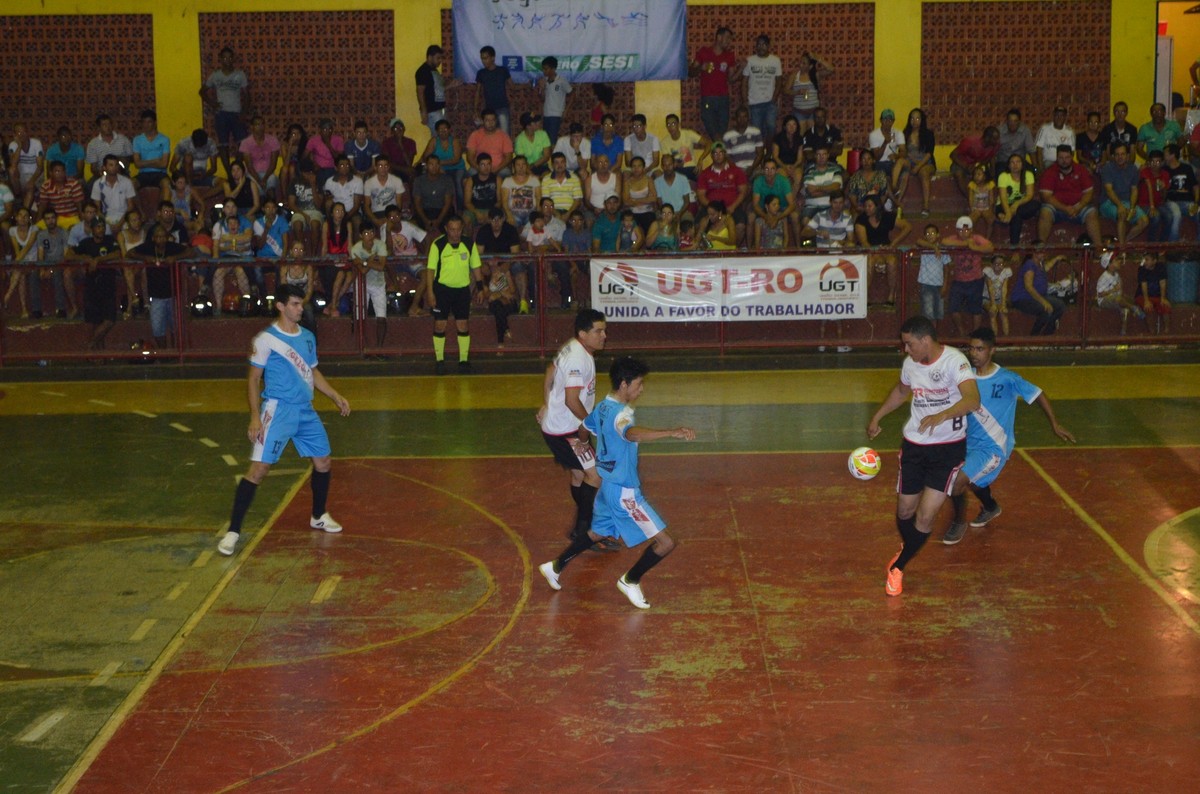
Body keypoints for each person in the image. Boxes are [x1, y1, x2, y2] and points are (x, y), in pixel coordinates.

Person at [538, 356, 696, 610]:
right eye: (639, 384)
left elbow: (584, 427)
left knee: (598, 532)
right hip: (624, 493)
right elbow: (630, 433)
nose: (641, 389)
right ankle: (630, 580)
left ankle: (555, 566)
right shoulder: (621, 415)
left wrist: (583, 443)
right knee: (666, 542)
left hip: (607, 488)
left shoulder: (603, 406)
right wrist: (671, 432)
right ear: (624, 384)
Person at [216, 284, 351, 556]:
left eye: (301, 304)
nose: (301, 309)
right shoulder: (265, 340)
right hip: (277, 411)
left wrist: (335, 396)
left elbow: (312, 372)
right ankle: (233, 531)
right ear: (280, 306)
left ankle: (318, 515)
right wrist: (255, 417)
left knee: (323, 462)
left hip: (305, 411)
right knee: (258, 470)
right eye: (295, 304)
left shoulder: (308, 337)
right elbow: (253, 379)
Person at [867, 316, 980, 597]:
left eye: (909, 344)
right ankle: (910, 547)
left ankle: (899, 568)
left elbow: (972, 400)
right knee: (905, 511)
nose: (906, 350)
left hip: (948, 449)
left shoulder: (955, 362)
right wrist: (878, 416)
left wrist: (942, 415)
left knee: (926, 517)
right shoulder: (911, 364)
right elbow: (901, 391)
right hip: (915, 447)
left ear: (925, 340)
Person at [941, 327, 1075, 544]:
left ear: (992, 350)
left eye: (980, 349)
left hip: (993, 448)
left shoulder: (1006, 379)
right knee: (975, 481)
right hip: (967, 444)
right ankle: (991, 507)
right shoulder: (965, 378)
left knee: (956, 482)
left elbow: (1038, 394)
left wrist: (1055, 423)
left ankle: (958, 523)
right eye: (971, 348)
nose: (974, 353)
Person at [537, 309, 608, 544]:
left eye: (604, 331)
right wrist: (593, 425)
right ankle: (584, 532)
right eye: (598, 331)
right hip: (567, 432)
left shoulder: (572, 347)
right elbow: (571, 400)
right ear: (583, 334)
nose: (604, 336)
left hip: (560, 426)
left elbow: (550, 371)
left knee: (580, 475)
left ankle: (586, 526)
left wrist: (548, 403)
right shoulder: (578, 358)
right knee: (595, 475)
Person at [425, 215, 483, 374]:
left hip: (462, 291)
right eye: (452, 229)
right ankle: (439, 360)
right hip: (441, 290)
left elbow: (476, 267)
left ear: (462, 229)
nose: (455, 233)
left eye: (458, 229)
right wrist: (430, 292)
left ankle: (464, 360)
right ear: (446, 229)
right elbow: (430, 270)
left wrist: (480, 287)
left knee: (463, 325)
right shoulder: (438, 245)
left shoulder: (469, 244)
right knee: (440, 325)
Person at [128, 225, 188, 349]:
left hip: (173, 294)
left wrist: (175, 258)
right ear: (153, 238)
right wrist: (145, 258)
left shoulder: (172, 247)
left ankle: (176, 351)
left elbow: (191, 252)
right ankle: (164, 352)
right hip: (156, 296)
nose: (161, 239)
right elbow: (130, 253)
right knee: (157, 328)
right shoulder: (148, 247)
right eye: (158, 237)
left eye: (163, 237)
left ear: (167, 237)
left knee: (176, 327)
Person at [1037, 144, 1101, 247]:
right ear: (1057, 157)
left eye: (1067, 157)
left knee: (1092, 213)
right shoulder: (1049, 172)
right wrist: (1065, 208)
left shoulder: (1081, 170)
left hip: (1078, 208)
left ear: (1072, 157)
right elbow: (1046, 197)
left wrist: (1079, 207)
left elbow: (1089, 193)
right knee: (1045, 211)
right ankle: (1040, 249)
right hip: (1057, 209)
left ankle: (1099, 249)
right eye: (1061, 158)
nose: (1064, 161)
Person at [854, 193, 911, 306]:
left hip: (885, 248)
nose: (867, 208)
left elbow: (908, 226)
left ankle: (891, 295)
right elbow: (864, 242)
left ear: (877, 206)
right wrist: (877, 254)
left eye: (870, 206)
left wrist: (893, 244)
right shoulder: (861, 219)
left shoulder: (887, 216)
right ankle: (865, 296)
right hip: (869, 249)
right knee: (870, 262)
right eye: (865, 206)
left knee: (892, 262)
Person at [942, 215, 993, 335]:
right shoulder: (955, 239)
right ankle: (962, 332)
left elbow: (990, 247)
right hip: (959, 280)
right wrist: (966, 244)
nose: (963, 232)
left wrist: (974, 247)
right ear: (957, 230)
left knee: (976, 309)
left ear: (971, 230)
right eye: (960, 230)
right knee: (953, 308)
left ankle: (975, 334)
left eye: (966, 230)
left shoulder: (976, 238)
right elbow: (944, 242)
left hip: (975, 280)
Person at [201, 46, 250, 163]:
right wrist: (212, 104)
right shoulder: (215, 75)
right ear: (220, 59)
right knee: (223, 145)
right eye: (224, 58)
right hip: (221, 114)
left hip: (236, 113)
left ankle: (237, 167)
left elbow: (247, 96)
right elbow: (202, 91)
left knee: (243, 144)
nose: (227, 60)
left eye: (230, 57)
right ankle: (228, 172)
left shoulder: (240, 74)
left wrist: (244, 113)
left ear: (233, 59)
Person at [1098, 142, 1149, 244]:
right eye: (1117, 154)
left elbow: (1134, 190)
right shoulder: (1107, 168)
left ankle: (1123, 243)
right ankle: (1122, 249)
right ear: (1113, 156)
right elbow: (1109, 190)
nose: (1120, 157)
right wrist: (1120, 206)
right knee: (1122, 214)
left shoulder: (1133, 169)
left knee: (1144, 222)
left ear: (1128, 155)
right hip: (1108, 202)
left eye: (1122, 154)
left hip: (1127, 202)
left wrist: (1132, 207)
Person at [691, 26, 736, 141]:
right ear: (719, 37)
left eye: (730, 39)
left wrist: (741, 69)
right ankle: (719, 148)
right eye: (727, 38)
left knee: (722, 131)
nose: (729, 41)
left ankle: (718, 149)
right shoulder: (704, 52)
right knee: (711, 128)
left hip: (723, 99)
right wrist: (701, 67)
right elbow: (691, 72)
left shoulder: (730, 56)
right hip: (708, 98)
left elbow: (731, 79)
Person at [1009, 247, 1067, 336]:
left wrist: (1056, 258)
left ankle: (1047, 334)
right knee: (1045, 310)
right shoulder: (1029, 265)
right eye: (1041, 252)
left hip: (1038, 296)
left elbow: (1046, 267)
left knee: (1060, 306)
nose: (1044, 254)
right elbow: (1029, 287)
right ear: (1034, 253)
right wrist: (1044, 302)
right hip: (1023, 298)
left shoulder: (1039, 264)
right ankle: (1034, 336)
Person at [350, 225, 390, 349]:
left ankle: (379, 348)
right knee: (360, 317)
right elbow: (362, 271)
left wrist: (365, 261)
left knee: (382, 318)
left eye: (372, 232)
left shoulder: (380, 245)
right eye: (366, 233)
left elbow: (381, 267)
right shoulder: (355, 249)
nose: (370, 236)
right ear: (361, 235)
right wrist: (372, 260)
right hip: (362, 284)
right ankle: (363, 347)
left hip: (379, 283)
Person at [912, 223, 951, 333]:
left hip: (939, 285)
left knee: (937, 313)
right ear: (925, 236)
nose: (930, 235)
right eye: (927, 234)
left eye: (933, 233)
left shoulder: (943, 250)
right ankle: (927, 334)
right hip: (926, 284)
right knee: (927, 313)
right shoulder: (923, 247)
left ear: (938, 235)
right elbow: (918, 241)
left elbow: (947, 268)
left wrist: (945, 285)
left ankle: (933, 334)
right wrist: (934, 247)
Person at [1094, 250, 1144, 335]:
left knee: (1127, 304)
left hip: (1116, 298)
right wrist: (1113, 290)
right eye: (1116, 260)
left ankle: (1123, 331)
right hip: (1104, 300)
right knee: (1119, 299)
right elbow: (1099, 294)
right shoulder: (1104, 277)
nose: (1119, 261)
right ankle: (1134, 308)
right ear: (1109, 264)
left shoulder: (1116, 275)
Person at [995, 153, 1040, 246]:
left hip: (1021, 205)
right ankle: (1014, 247)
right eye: (1012, 162)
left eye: (1018, 162)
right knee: (1016, 217)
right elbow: (1003, 198)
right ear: (1008, 165)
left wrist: (1016, 205)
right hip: (1005, 205)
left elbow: (1029, 195)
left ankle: (1003, 217)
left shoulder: (1028, 175)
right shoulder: (1003, 176)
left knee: (1036, 204)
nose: (1015, 165)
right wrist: (1008, 211)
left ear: (1022, 164)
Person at [743, 34, 784, 137]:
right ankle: (759, 148)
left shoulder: (775, 61)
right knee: (756, 132)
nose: (761, 47)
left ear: (769, 46)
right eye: (759, 44)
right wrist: (745, 101)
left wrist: (774, 99)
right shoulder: (750, 60)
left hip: (770, 103)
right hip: (754, 103)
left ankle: (769, 148)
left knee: (771, 128)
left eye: (764, 44)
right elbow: (744, 82)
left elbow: (779, 81)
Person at [901, 108, 936, 216]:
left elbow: (929, 154)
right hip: (910, 161)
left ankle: (926, 206)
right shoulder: (905, 134)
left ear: (922, 120)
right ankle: (896, 203)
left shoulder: (928, 134)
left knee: (924, 173)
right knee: (900, 168)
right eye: (912, 118)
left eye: (917, 118)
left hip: (926, 163)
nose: (914, 121)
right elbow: (903, 152)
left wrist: (918, 166)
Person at [787, 52, 832, 135]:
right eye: (800, 62)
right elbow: (785, 90)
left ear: (810, 66)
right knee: (801, 137)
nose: (801, 65)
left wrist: (818, 58)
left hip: (813, 113)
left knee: (812, 136)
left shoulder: (815, 75)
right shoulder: (794, 76)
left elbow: (831, 69)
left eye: (804, 63)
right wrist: (797, 92)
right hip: (799, 112)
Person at [476, 46, 513, 134]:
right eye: (482, 58)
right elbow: (477, 92)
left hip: (502, 107)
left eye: (486, 58)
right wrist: (475, 109)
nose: (484, 61)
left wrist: (527, 85)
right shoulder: (481, 73)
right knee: (490, 135)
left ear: (493, 58)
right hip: (488, 109)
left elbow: (512, 86)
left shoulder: (503, 70)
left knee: (504, 135)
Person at [131, 110, 171, 191]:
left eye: (149, 122)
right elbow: (137, 164)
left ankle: (164, 200)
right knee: (131, 184)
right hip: (143, 174)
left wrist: (144, 163)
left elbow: (164, 164)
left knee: (167, 184)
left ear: (155, 123)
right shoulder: (137, 140)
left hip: (160, 174)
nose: (146, 125)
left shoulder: (164, 139)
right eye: (144, 122)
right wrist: (155, 161)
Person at [536, 56, 573, 144]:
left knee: (552, 140)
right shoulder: (544, 81)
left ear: (553, 69)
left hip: (556, 114)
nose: (544, 71)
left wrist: (566, 111)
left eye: (546, 69)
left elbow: (572, 95)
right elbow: (542, 99)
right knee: (545, 141)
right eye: (543, 69)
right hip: (546, 114)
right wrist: (542, 88)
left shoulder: (561, 81)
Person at [1134, 251, 1171, 335]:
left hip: (1157, 295)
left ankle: (1166, 332)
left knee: (1165, 307)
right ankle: (1151, 333)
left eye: (1147, 260)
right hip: (1142, 296)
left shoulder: (1161, 267)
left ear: (1154, 261)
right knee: (1149, 309)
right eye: (1144, 259)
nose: (1145, 262)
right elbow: (1144, 285)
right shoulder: (1142, 269)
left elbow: (1163, 283)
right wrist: (1146, 301)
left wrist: (1163, 298)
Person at [416, 45, 450, 135]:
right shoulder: (423, 71)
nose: (440, 61)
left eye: (441, 58)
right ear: (430, 57)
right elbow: (420, 92)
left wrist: (451, 85)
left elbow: (437, 89)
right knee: (440, 137)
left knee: (442, 137)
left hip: (440, 110)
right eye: (438, 58)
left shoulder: (434, 70)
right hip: (432, 111)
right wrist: (424, 111)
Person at [982, 253, 1014, 336]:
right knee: (993, 312)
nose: (999, 267)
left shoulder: (1006, 272)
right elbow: (990, 288)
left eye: (1001, 264)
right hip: (987, 298)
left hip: (999, 299)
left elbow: (1004, 288)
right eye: (996, 264)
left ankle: (1006, 338)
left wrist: (1003, 305)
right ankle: (995, 338)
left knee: (1003, 313)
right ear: (992, 265)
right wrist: (993, 305)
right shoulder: (988, 271)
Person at [966, 163, 996, 239]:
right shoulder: (972, 185)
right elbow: (970, 199)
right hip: (976, 208)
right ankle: (972, 238)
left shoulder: (990, 184)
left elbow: (991, 199)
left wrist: (990, 210)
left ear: (985, 176)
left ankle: (987, 239)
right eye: (975, 174)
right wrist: (972, 209)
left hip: (986, 208)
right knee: (970, 221)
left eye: (979, 174)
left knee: (991, 220)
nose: (976, 176)